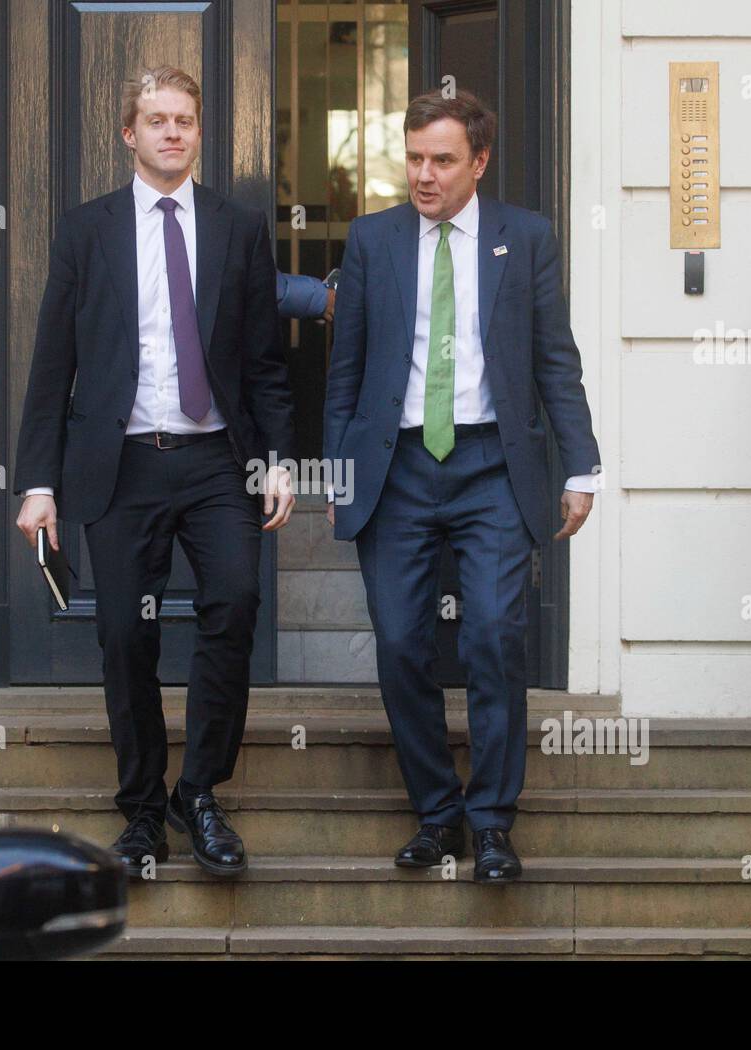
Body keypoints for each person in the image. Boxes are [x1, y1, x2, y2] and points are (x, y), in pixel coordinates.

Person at [14, 65, 296, 878]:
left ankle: (198, 792)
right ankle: (141, 809)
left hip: (216, 463)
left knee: (235, 602)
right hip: (123, 465)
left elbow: (264, 362)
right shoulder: (85, 231)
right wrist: (39, 482)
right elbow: (50, 366)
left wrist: (278, 461)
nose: (172, 132)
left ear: (199, 132)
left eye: (184, 120)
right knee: (123, 635)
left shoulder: (239, 228)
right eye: (156, 120)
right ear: (129, 134)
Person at [323, 88, 601, 883]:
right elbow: (343, 378)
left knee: (490, 636)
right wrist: (339, 472)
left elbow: (556, 361)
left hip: (491, 469)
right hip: (397, 469)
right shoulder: (373, 241)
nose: (424, 175)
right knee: (404, 643)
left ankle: (492, 823)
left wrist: (580, 468)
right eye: (413, 158)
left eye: (442, 160)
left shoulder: (527, 239)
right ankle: (437, 815)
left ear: (478, 162)